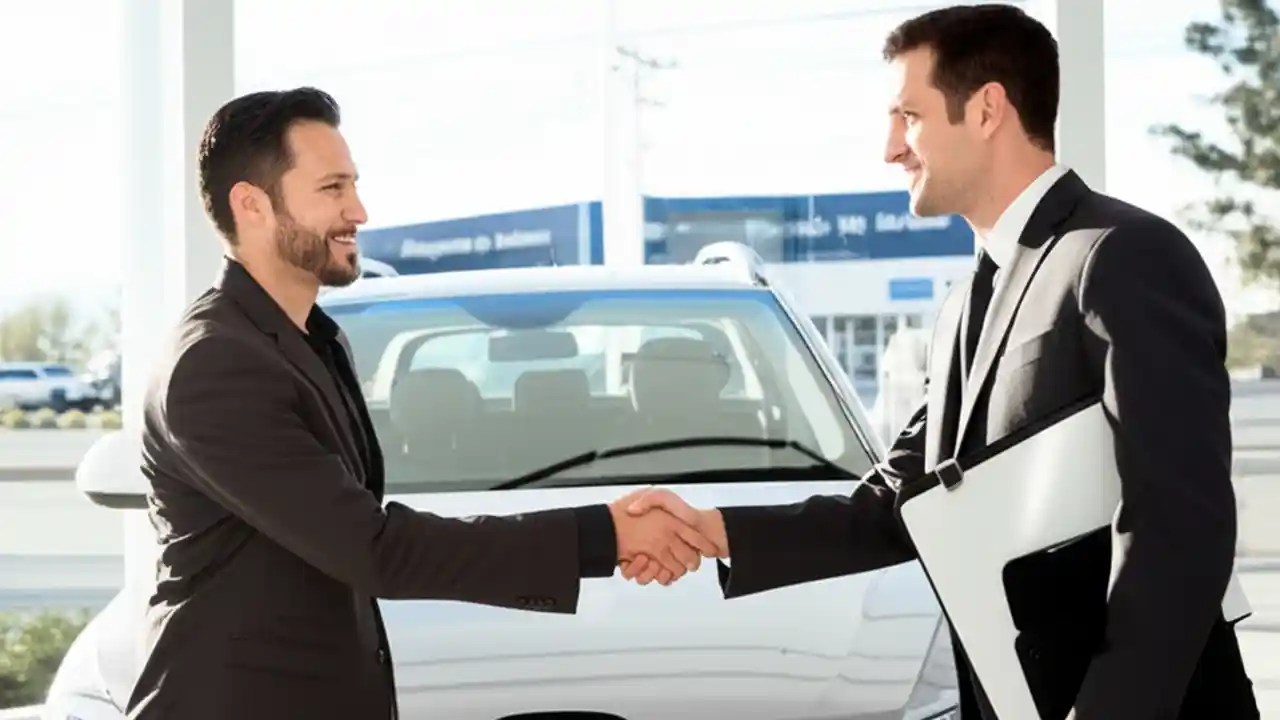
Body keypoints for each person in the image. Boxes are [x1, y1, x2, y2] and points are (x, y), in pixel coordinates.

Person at [615, 5, 1260, 718]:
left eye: (909, 116)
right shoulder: (961, 308)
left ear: (987, 109)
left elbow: (1181, 522)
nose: (892, 148)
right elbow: (900, 505)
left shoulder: (1122, 256)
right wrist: (715, 529)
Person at [125, 87, 715, 720]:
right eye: (332, 189)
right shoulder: (215, 365)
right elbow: (377, 549)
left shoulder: (314, 341)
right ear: (253, 204)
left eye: (353, 184)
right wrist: (603, 534)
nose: (359, 209)